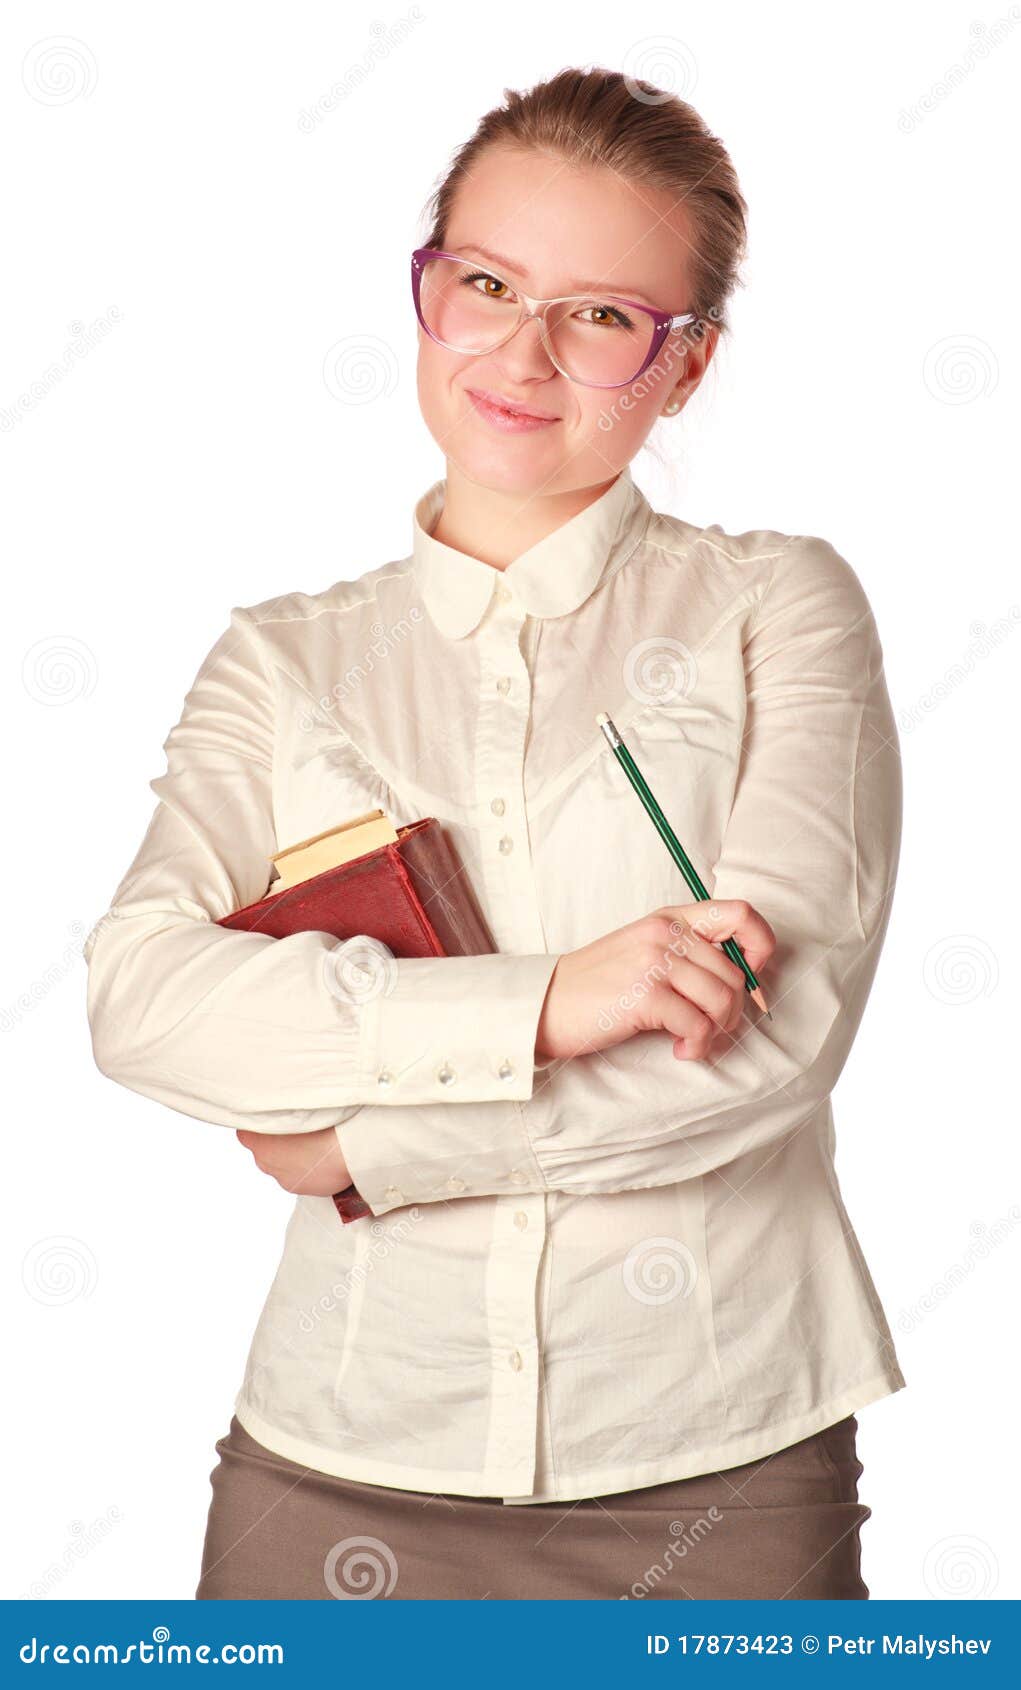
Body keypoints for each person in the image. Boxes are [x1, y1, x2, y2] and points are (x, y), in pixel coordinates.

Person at [83, 65, 904, 1600]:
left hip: (720, 1464)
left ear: (687, 361)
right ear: (426, 293)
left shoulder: (774, 609)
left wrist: (364, 1144)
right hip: (335, 1457)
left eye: (599, 315)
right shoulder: (282, 660)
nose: (521, 354)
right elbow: (142, 999)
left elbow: (774, 1037)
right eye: (484, 283)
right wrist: (551, 997)